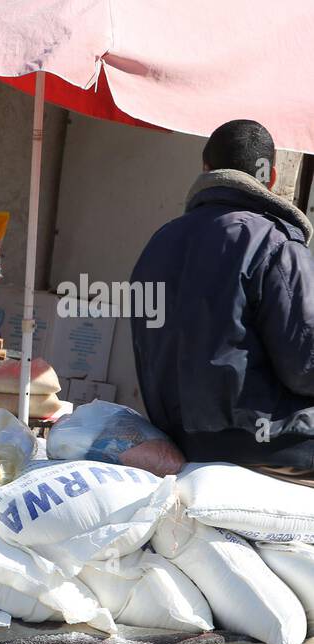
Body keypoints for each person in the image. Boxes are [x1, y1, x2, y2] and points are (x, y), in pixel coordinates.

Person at [130, 119, 314, 485]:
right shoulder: (275, 243)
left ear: (205, 169)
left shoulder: (159, 242)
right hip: (264, 442)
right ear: (272, 177)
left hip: (176, 438)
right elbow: (305, 367)